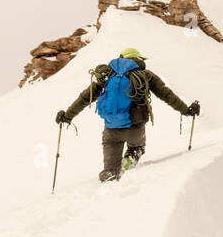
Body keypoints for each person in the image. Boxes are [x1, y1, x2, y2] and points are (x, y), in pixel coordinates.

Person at [55, 47, 199, 182]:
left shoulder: (106, 76)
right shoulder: (144, 75)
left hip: (111, 130)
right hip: (134, 129)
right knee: (137, 148)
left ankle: (109, 178)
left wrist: (67, 115)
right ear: (136, 59)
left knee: (110, 171)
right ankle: (127, 166)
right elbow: (166, 94)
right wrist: (187, 110)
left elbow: (85, 98)